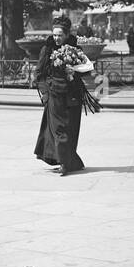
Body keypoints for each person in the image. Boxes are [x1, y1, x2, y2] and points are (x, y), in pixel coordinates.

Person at [33, 16, 100, 177]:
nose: (56, 38)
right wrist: (45, 94)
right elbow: (39, 74)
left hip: (72, 96)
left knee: (70, 130)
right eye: (54, 35)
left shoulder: (76, 50)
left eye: (60, 35)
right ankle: (64, 162)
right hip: (54, 95)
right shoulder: (47, 50)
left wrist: (75, 71)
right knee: (58, 129)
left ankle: (71, 162)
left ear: (67, 34)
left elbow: (86, 71)